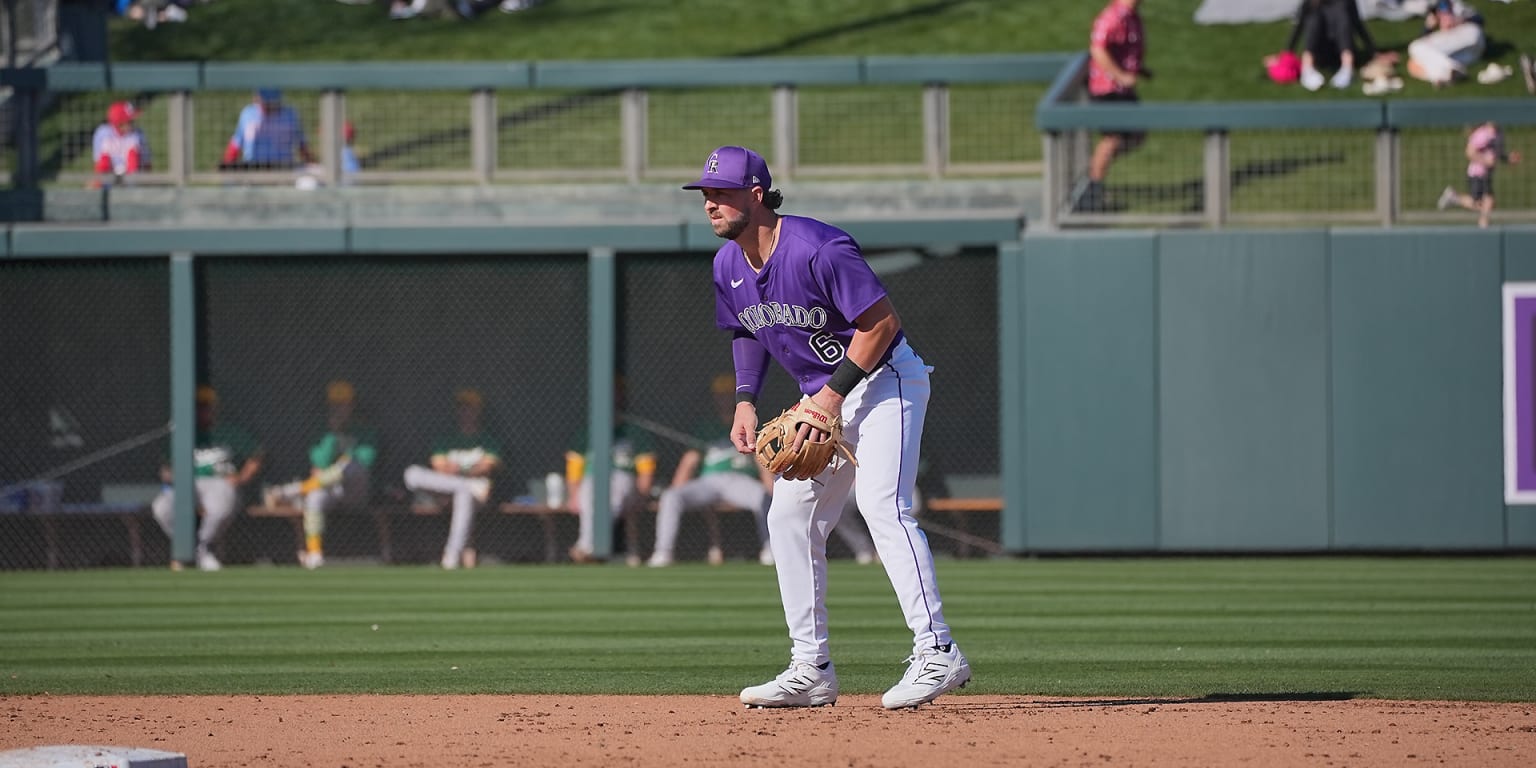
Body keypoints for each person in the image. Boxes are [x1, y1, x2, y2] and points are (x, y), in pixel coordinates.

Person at [684, 145, 968, 710]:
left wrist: (831, 397)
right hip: (822, 398)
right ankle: (810, 667)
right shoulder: (726, 265)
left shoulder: (818, 247)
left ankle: (938, 650)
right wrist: (746, 400)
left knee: (882, 504)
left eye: (722, 193)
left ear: (756, 195)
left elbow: (882, 323)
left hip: (886, 381)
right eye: (705, 195)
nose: (711, 204)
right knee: (787, 516)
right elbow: (745, 330)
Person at [648, 374, 777, 568]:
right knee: (671, 497)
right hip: (709, 481)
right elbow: (689, 462)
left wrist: (773, 490)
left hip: (739, 480)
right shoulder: (705, 427)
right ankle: (663, 553)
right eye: (720, 395)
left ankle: (771, 549)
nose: (724, 399)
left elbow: (761, 461)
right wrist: (677, 489)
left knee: (762, 496)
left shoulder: (750, 423)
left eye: (728, 395)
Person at [266, 381, 378, 569]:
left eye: (344, 404)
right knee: (315, 497)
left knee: (351, 466)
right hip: (328, 488)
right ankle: (315, 554)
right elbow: (319, 464)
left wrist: (337, 466)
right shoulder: (323, 433)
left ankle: (292, 491)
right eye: (335, 405)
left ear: (352, 405)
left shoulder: (366, 431)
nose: (339, 409)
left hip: (355, 491)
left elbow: (364, 463)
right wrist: (333, 433)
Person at [151, 385, 264, 572]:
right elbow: (166, 469)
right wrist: (169, 475)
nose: (203, 410)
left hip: (220, 482)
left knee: (220, 508)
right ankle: (198, 551)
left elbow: (257, 455)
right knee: (161, 508)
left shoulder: (229, 431)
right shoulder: (182, 435)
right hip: (188, 483)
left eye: (207, 406)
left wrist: (242, 477)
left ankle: (201, 548)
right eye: (199, 406)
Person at [402, 388, 501, 569]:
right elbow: (439, 466)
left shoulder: (488, 441)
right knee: (411, 474)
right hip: (448, 490)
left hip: (475, 497)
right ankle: (466, 486)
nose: (467, 412)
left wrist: (456, 469)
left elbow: (487, 466)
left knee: (463, 495)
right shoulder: (446, 440)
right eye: (463, 407)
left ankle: (451, 556)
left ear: (479, 411)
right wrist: (469, 474)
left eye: (471, 407)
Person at [565, 380, 657, 567]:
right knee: (590, 489)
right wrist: (573, 495)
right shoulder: (587, 433)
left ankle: (590, 546)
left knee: (614, 489)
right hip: (592, 483)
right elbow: (574, 469)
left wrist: (642, 496)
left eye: (615, 397)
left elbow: (646, 470)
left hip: (626, 484)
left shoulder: (634, 432)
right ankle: (588, 546)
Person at [1079, 0, 1147, 213]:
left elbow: (1126, 51)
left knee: (1137, 135)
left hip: (1122, 91)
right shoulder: (1114, 16)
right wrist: (1121, 76)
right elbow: (1098, 50)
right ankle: (1090, 193)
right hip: (1107, 89)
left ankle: (1094, 173)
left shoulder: (1132, 15)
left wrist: (1137, 70)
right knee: (1112, 139)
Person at [1438, 120, 1521, 229]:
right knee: (1480, 203)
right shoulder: (1481, 133)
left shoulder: (1499, 134)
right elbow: (1469, 152)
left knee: (1489, 203)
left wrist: (1509, 159)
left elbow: (1497, 154)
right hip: (1477, 173)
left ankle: (1483, 227)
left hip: (1487, 175)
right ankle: (1454, 197)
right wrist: (1484, 160)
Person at [1283, 0, 1377, 91]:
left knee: (1343, 15)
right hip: (1320, 53)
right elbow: (1299, 27)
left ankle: (1347, 69)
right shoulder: (1310, 3)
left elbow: (1358, 25)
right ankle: (1308, 69)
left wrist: (1374, 52)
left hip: (1341, 51)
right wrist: (1286, 53)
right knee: (1313, 18)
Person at [221, 89, 317, 170]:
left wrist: (313, 164)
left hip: (284, 168)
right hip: (254, 168)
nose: (265, 106)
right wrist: (226, 165)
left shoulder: (290, 115)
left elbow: (302, 146)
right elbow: (235, 145)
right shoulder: (248, 114)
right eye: (263, 102)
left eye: (269, 102)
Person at [1406, 0, 1486, 88]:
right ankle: (1448, 74)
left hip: (1466, 34)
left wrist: (1459, 20)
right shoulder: (1432, 8)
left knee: (1415, 47)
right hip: (1465, 55)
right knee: (1413, 62)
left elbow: (1479, 19)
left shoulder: (1455, 4)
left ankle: (1445, 73)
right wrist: (1428, 27)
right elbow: (1424, 38)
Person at [90, 101, 150, 188]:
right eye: (130, 121)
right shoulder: (102, 133)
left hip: (133, 180)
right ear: (119, 123)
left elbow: (147, 164)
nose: (133, 123)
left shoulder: (138, 134)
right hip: (108, 179)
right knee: (92, 185)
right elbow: (98, 164)